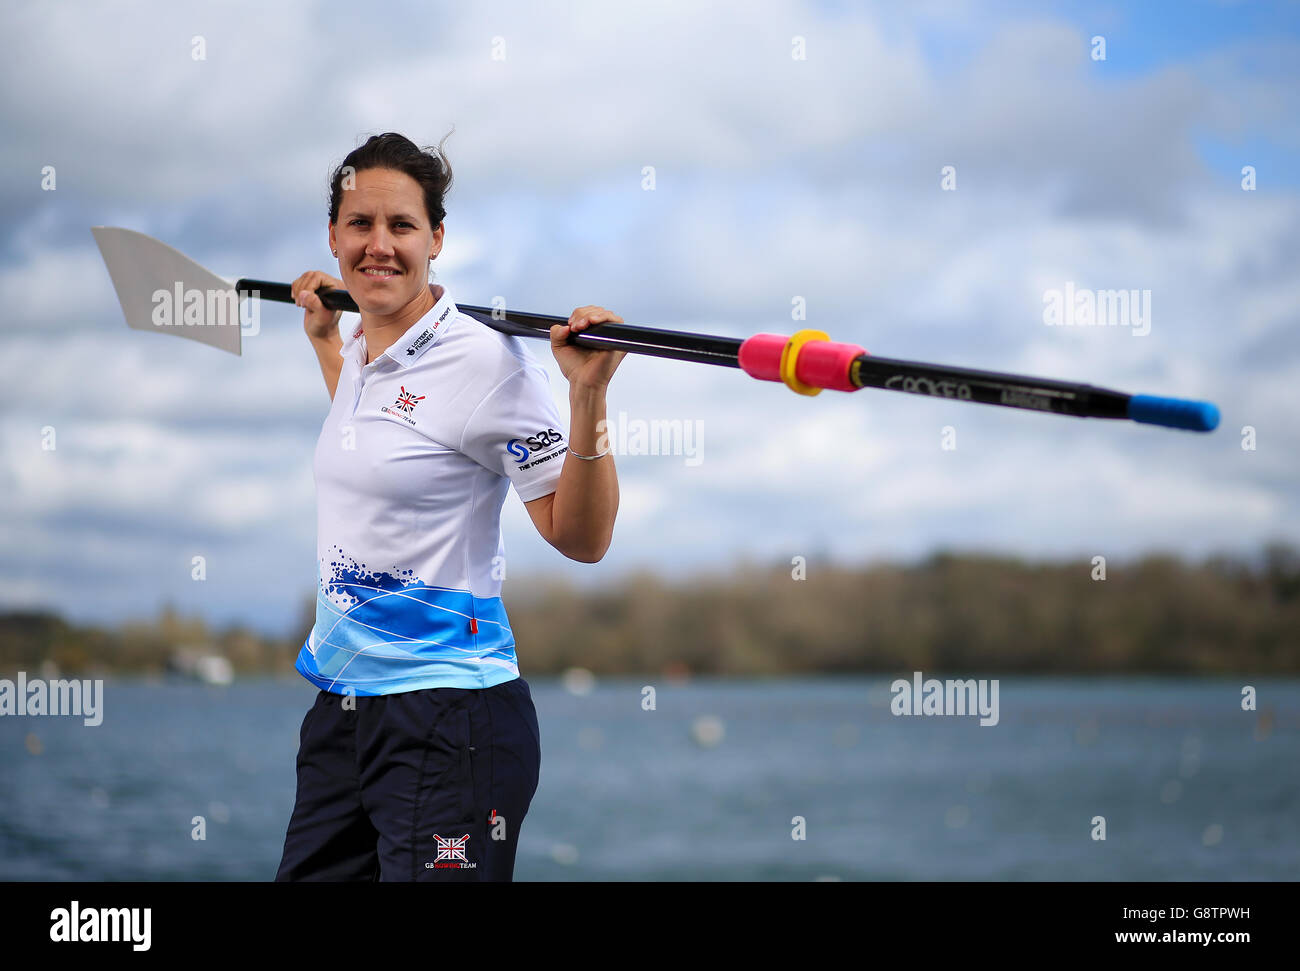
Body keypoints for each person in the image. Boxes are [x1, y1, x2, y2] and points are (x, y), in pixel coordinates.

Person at [274, 132, 625, 881]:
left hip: (449, 716)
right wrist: (326, 343)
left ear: (436, 238)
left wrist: (587, 394)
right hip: (342, 709)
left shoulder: (486, 365)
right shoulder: (364, 355)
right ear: (333, 237)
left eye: (401, 225)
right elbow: (389, 446)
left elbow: (583, 536)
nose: (379, 245)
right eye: (359, 224)